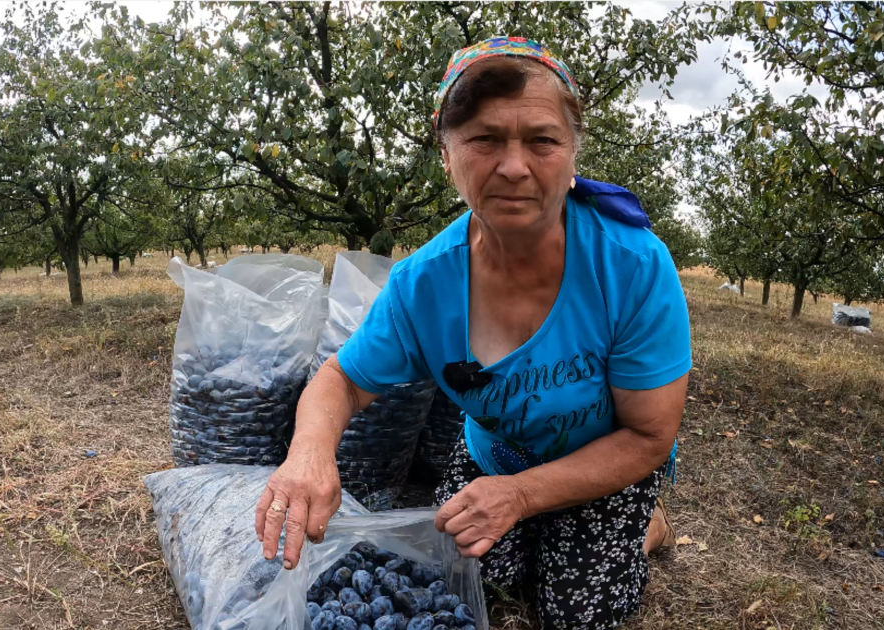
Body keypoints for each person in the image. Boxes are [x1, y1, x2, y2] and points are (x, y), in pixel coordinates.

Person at [254, 37, 691, 629]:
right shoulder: (424, 284)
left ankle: (647, 528)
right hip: (495, 457)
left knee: (576, 613)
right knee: (473, 582)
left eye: (542, 140)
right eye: (485, 139)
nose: (514, 166)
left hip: (600, 465)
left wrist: (522, 496)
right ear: (447, 154)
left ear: (572, 154)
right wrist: (308, 454)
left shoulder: (632, 266)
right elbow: (342, 380)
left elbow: (648, 436)